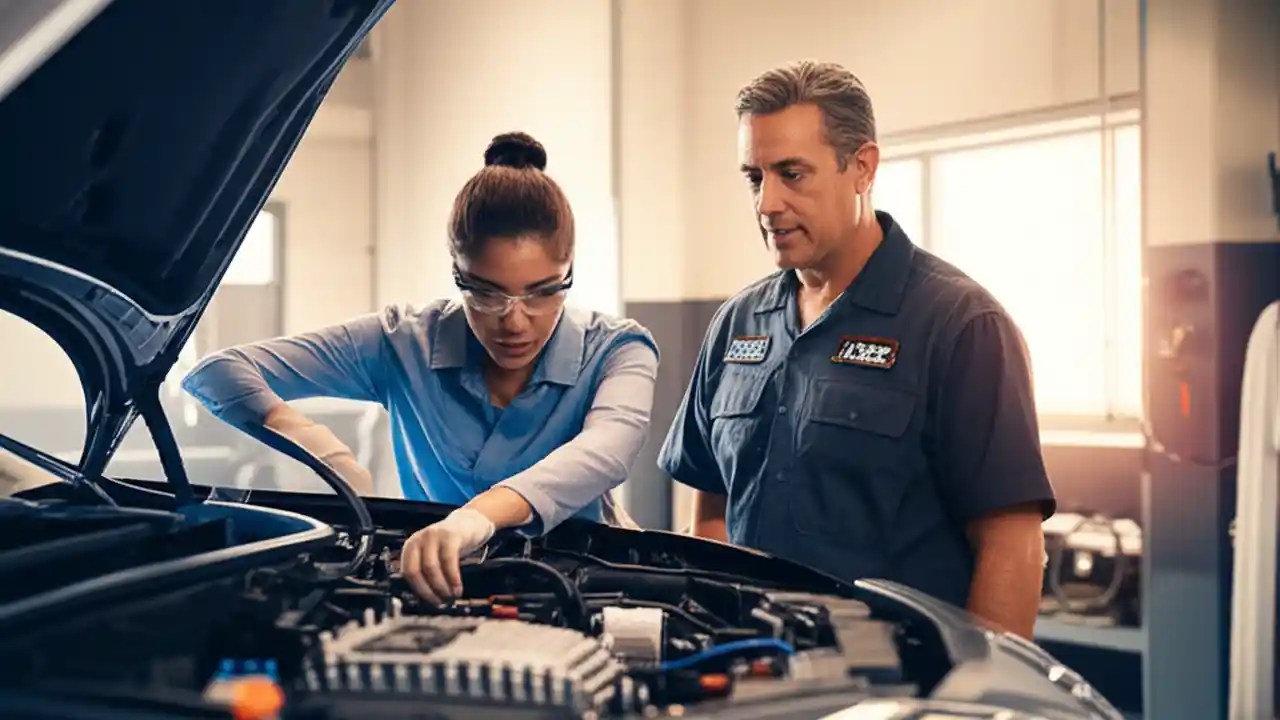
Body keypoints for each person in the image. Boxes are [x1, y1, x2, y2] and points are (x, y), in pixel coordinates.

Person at [657, 60, 1055, 639]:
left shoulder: (961, 325)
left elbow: (1011, 543)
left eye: (792, 173)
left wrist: (973, 699)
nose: (767, 203)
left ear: (862, 168)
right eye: (754, 177)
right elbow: (712, 510)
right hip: (752, 675)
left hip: (900, 688)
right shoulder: (736, 324)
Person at [184, 132, 659, 606]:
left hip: (583, 592)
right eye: (486, 293)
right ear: (457, 272)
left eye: (542, 291)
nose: (514, 320)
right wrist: (332, 455)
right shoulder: (402, 342)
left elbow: (607, 450)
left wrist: (474, 519)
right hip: (439, 592)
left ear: (569, 269)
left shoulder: (619, 348)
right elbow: (219, 372)